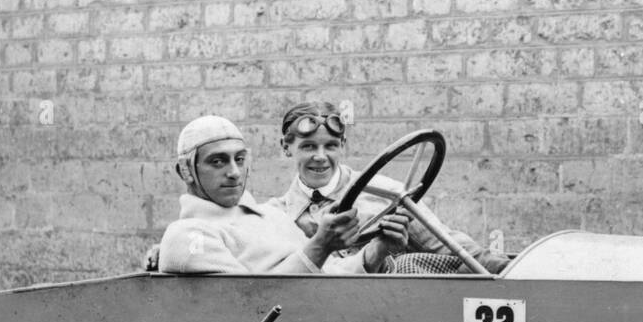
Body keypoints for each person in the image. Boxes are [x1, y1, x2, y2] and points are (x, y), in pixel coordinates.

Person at [267, 101, 512, 274]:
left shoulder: (386, 195)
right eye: (308, 147)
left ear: (343, 145)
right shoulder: (276, 216)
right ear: (286, 147)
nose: (320, 157)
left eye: (330, 146)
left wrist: (515, 267)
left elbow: (450, 247)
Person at [157, 115, 404, 275]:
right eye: (218, 161)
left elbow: (330, 274)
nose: (234, 172)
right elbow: (253, 305)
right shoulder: (189, 235)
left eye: (240, 159)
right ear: (186, 171)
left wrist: (377, 250)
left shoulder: (273, 216)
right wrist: (320, 245)